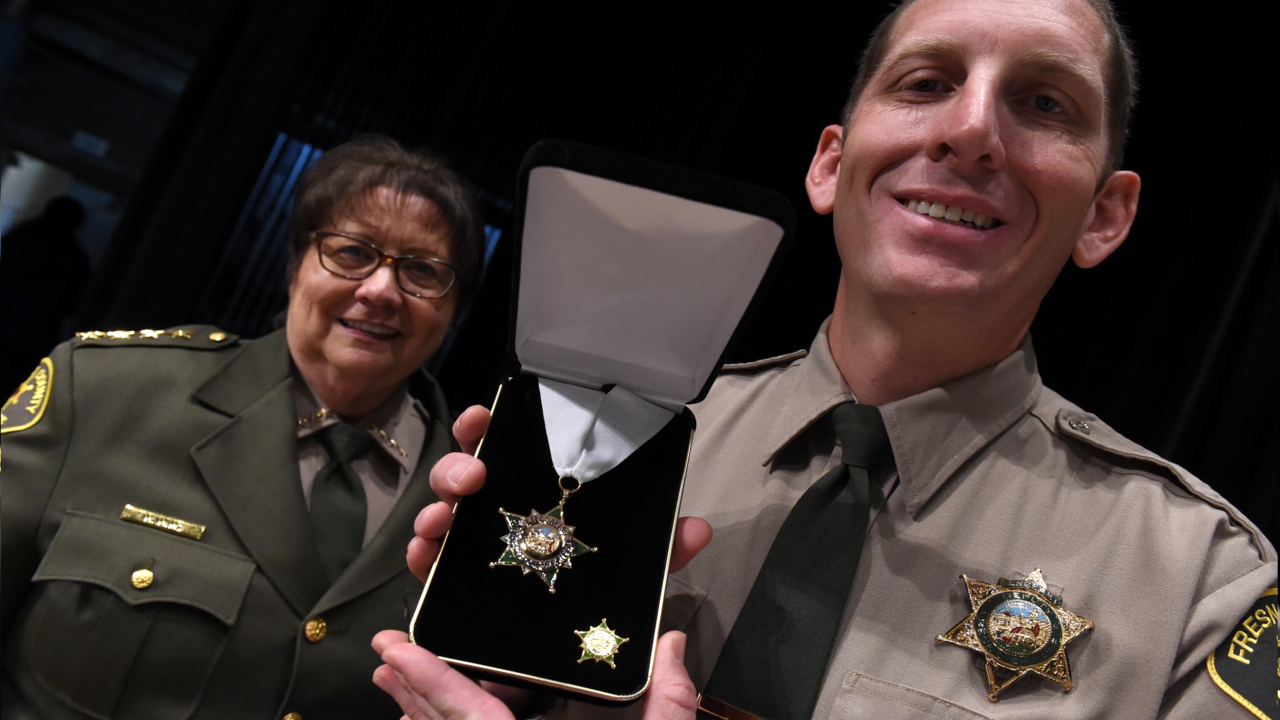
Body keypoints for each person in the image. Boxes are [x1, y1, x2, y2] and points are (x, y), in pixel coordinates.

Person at [374, 0, 1276, 718]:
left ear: (1104, 215)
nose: (970, 133)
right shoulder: (617, 447)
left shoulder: (1203, 586)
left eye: (1044, 104)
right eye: (926, 82)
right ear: (829, 165)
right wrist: (497, 684)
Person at [1, 136, 484, 719]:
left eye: (422, 271)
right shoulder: (105, 392)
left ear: (452, 312)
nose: (381, 290)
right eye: (352, 252)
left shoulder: (476, 498)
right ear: (295, 266)